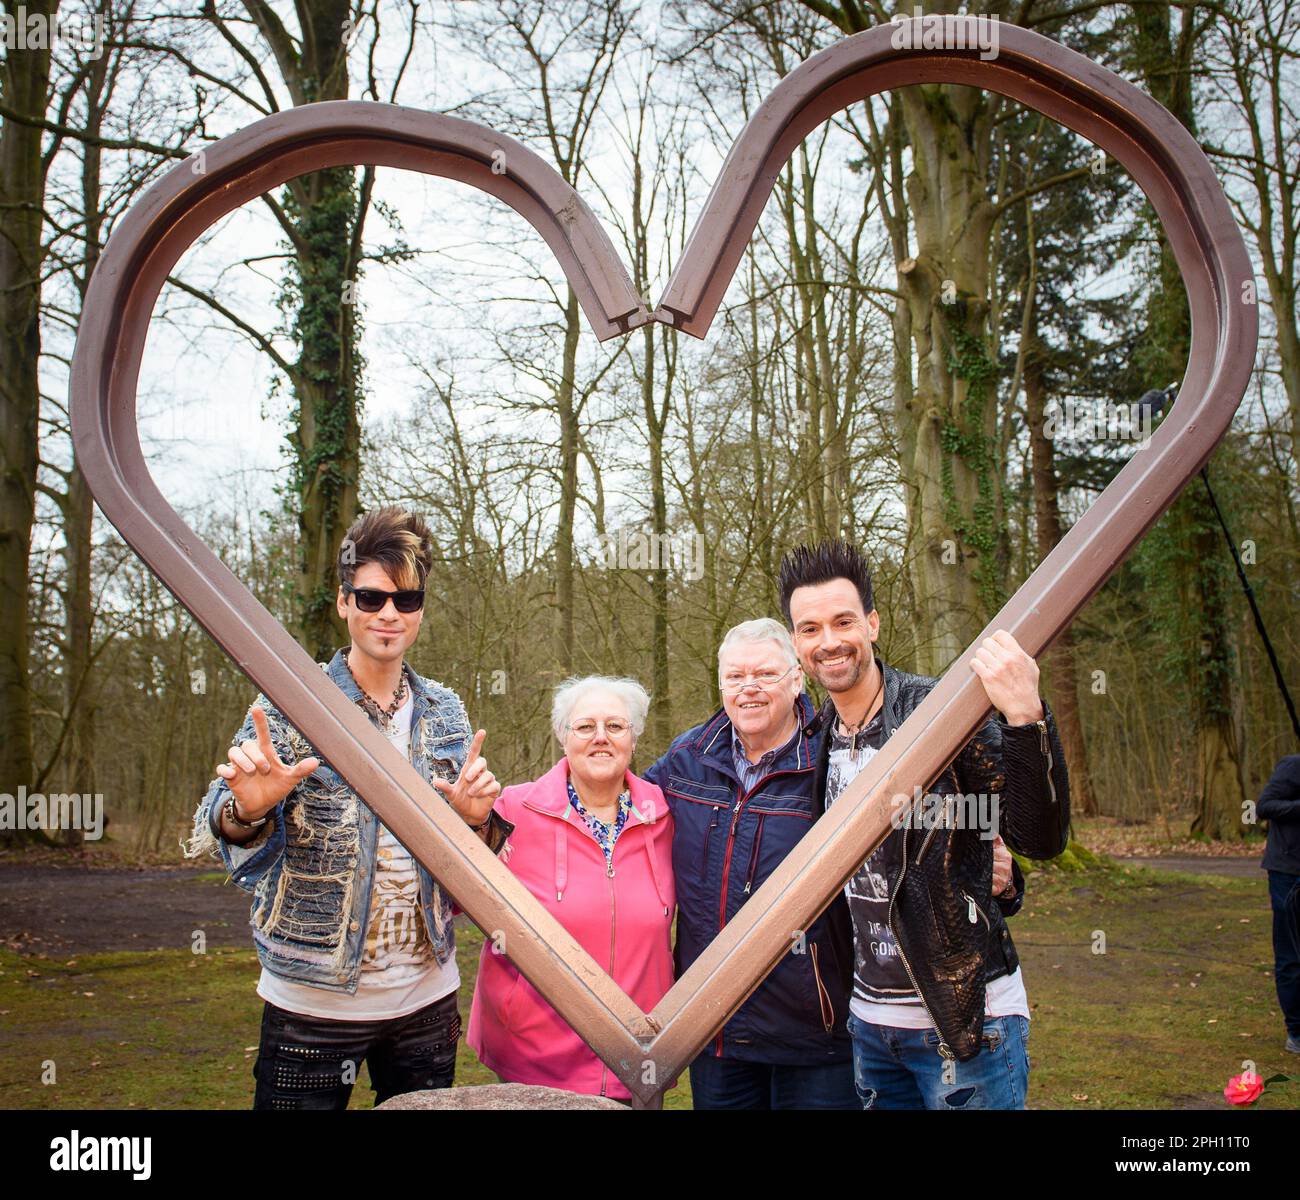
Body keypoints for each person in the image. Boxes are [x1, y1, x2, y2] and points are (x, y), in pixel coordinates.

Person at [186, 507, 508, 1109]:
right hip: (311, 1001)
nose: (389, 613)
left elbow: (478, 860)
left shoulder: (446, 712)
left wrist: (476, 821)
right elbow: (221, 820)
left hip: (425, 999)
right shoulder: (291, 701)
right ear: (343, 602)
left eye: (406, 600)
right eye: (371, 597)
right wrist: (247, 810)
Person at [643, 618, 1023, 1110]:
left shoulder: (834, 753)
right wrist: (513, 817)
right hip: (717, 1033)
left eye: (765, 673)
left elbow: (929, 836)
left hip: (819, 1031)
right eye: (735, 677)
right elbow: (616, 813)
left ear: (797, 678)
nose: (749, 688)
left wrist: (997, 875)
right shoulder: (687, 758)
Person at [778, 539, 1069, 1110]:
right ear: (796, 642)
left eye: (843, 621)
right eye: (809, 629)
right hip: (868, 1026)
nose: (829, 641)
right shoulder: (815, 745)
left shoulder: (939, 713)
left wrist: (1026, 717)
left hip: (965, 1017)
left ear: (873, 624)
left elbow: (1039, 837)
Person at [468, 676, 674, 1101]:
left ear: (633, 738)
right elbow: (452, 902)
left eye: (615, 726)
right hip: (534, 1061)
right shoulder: (512, 809)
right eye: (585, 727)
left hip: (635, 1061)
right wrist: (470, 826)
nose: (601, 738)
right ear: (563, 737)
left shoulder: (664, 816)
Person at [1257, 754, 1300, 1054]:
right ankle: (1296, 1031)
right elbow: (1264, 807)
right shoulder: (1292, 766)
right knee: (1291, 955)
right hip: (1288, 873)